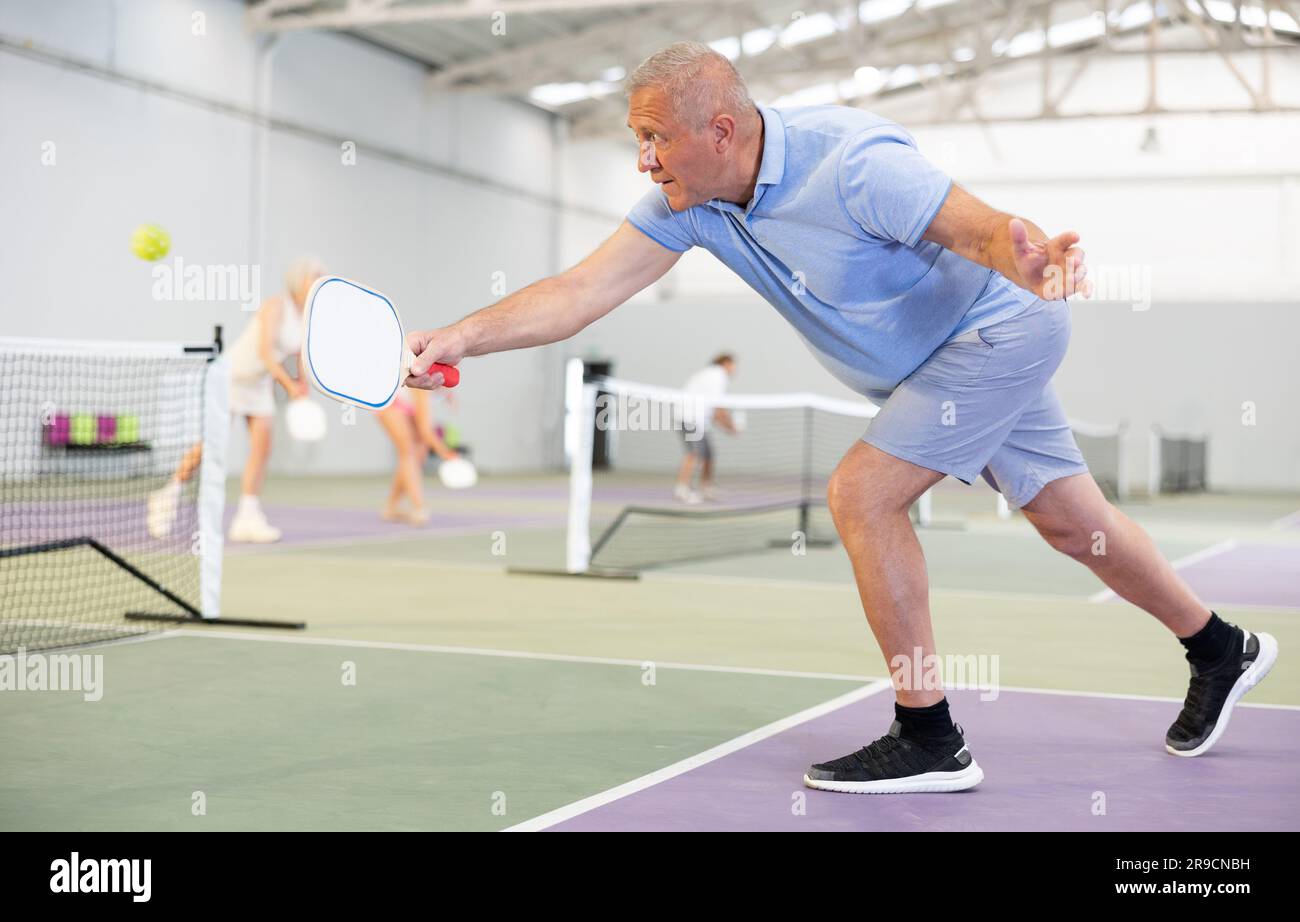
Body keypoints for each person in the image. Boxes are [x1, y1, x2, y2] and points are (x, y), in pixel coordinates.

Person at [402, 43, 1277, 793]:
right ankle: (1219, 647)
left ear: (720, 131)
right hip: (945, 362)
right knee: (1072, 522)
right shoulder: (690, 206)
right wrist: (462, 337)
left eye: (654, 137)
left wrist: (1033, 256)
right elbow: (578, 291)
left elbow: (977, 231)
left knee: (862, 495)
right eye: (639, 139)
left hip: (999, 328)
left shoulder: (853, 161)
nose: (644, 160)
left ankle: (929, 736)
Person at [147, 257, 325, 543]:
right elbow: (265, 352)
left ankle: (247, 517)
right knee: (210, 444)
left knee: (263, 448)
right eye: (315, 277)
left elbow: (301, 355)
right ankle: (167, 495)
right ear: (299, 281)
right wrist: (289, 385)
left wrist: (303, 385)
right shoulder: (275, 306)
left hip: (260, 383)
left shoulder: (308, 315)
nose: (320, 282)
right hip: (231, 377)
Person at [376, 386, 460, 525]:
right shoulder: (423, 388)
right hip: (390, 404)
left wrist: (449, 397)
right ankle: (419, 507)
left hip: (409, 404)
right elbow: (425, 430)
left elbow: (425, 430)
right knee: (408, 452)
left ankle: (391, 507)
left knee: (419, 455)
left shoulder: (442, 387)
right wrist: (445, 453)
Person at [674, 353, 738, 504]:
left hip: (696, 419)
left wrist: (727, 426)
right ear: (725, 363)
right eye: (733, 365)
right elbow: (718, 409)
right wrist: (731, 427)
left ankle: (706, 488)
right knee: (694, 453)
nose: (734, 369)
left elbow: (714, 412)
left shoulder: (708, 374)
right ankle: (681, 490)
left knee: (708, 454)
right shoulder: (718, 376)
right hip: (690, 417)